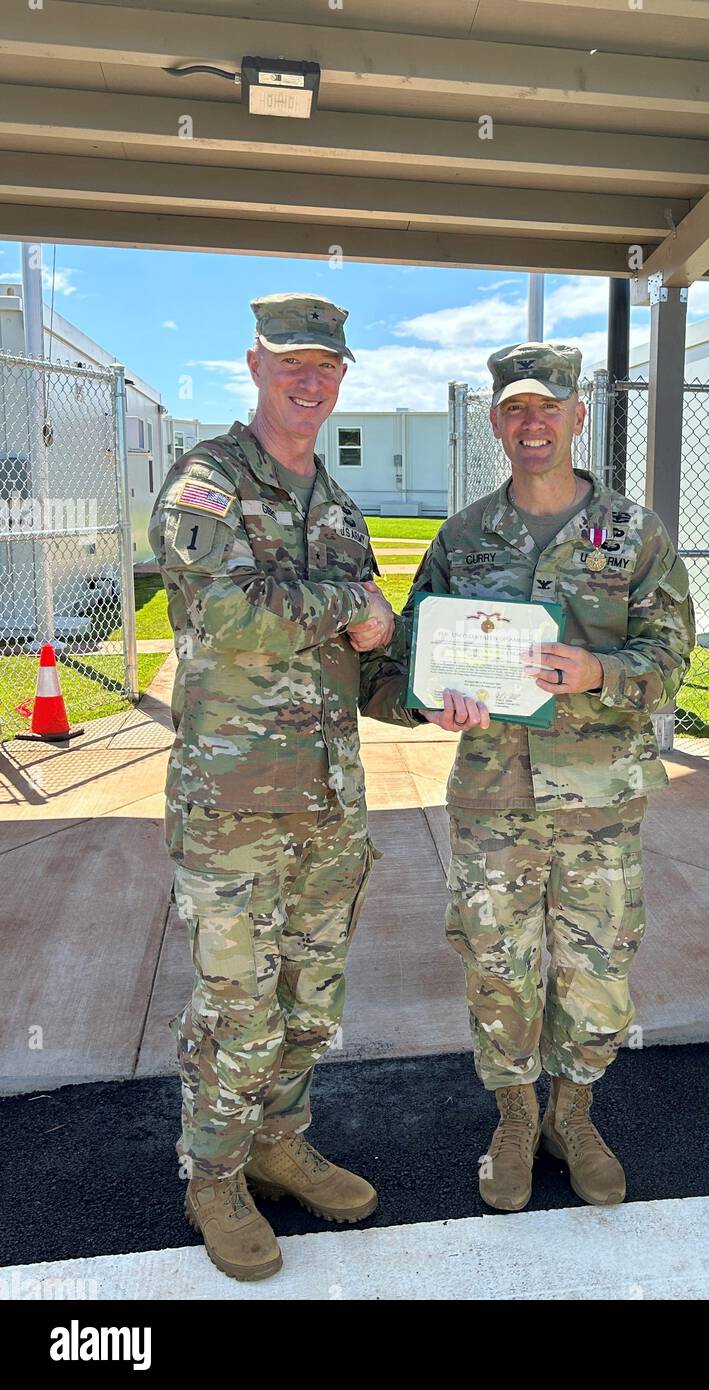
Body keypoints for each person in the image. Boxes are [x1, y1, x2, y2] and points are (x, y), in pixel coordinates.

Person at [148, 292, 412, 1281]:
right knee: (235, 1006)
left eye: (329, 366)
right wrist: (353, 604)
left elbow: (370, 664)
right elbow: (220, 608)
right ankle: (213, 1172)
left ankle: (279, 1141)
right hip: (235, 812)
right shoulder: (207, 479)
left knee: (308, 999)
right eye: (295, 361)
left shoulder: (338, 508)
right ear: (255, 364)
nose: (312, 379)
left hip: (329, 804)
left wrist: (456, 687)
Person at [396, 342, 695, 1212]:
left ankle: (575, 1112)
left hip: (599, 795)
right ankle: (516, 1117)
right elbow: (419, 651)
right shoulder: (463, 536)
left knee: (597, 965)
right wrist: (432, 702)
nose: (532, 424)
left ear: (576, 416)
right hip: (493, 795)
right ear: (497, 421)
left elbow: (670, 651)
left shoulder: (631, 531)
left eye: (548, 407)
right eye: (515, 409)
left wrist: (598, 673)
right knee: (497, 962)